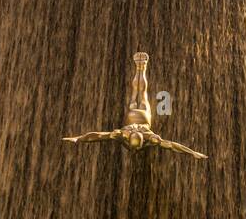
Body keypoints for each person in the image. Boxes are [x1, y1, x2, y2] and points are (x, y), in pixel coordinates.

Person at [64, 52, 206, 158]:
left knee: (135, 92)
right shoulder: (151, 138)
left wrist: (79, 138)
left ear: (129, 138)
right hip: (144, 115)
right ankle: (142, 68)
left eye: (133, 135)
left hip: (131, 113)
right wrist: (192, 153)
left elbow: (97, 136)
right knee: (142, 92)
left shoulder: (122, 134)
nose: (135, 132)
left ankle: (139, 68)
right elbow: (172, 145)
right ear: (142, 140)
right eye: (137, 135)